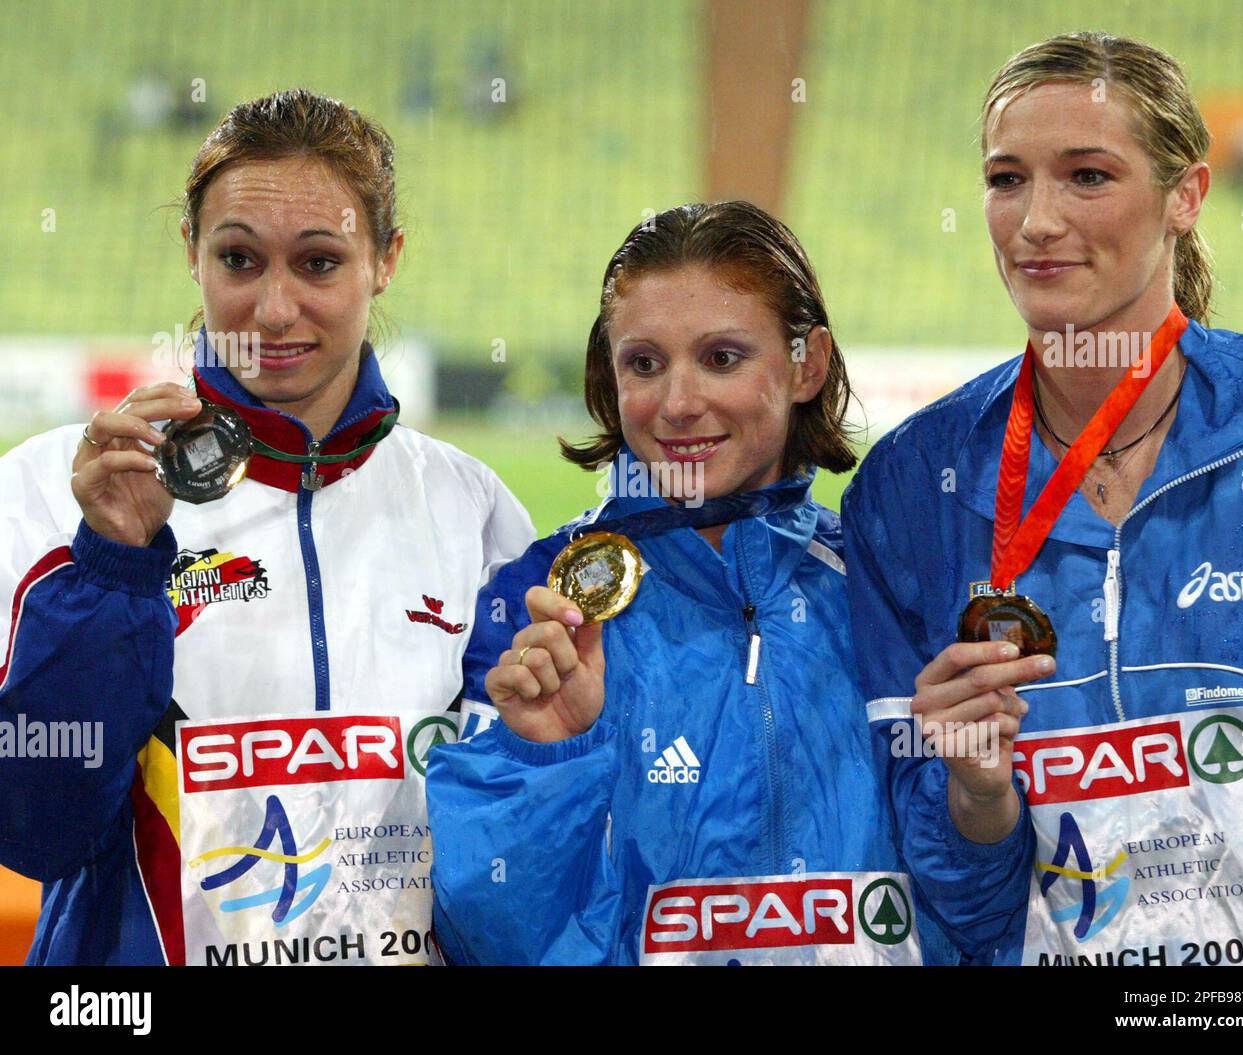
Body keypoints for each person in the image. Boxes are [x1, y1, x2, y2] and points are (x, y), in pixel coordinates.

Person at [0, 89, 534, 965]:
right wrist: (110, 567)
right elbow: (35, 827)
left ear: (386, 259)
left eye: (318, 263)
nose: (274, 310)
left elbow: (520, 846)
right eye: (240, 259)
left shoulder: (473, 512)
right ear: (192, 252)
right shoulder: (52, 490)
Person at [426, 201, 1035, 965]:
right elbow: (491, 942)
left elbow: (982, 923)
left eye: (721, 358)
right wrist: (546, 763)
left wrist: (979, 797)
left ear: (807, 364)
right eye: (644, 363)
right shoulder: (541, 599)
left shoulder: (882, 585)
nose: (679, 404)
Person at [843, 32, 1243, 966]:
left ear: (1187, 195)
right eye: (1006, 180)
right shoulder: (907, 490)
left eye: (1087, 176)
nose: (1036, 221)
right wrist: (974, 798)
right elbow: (942, 919)